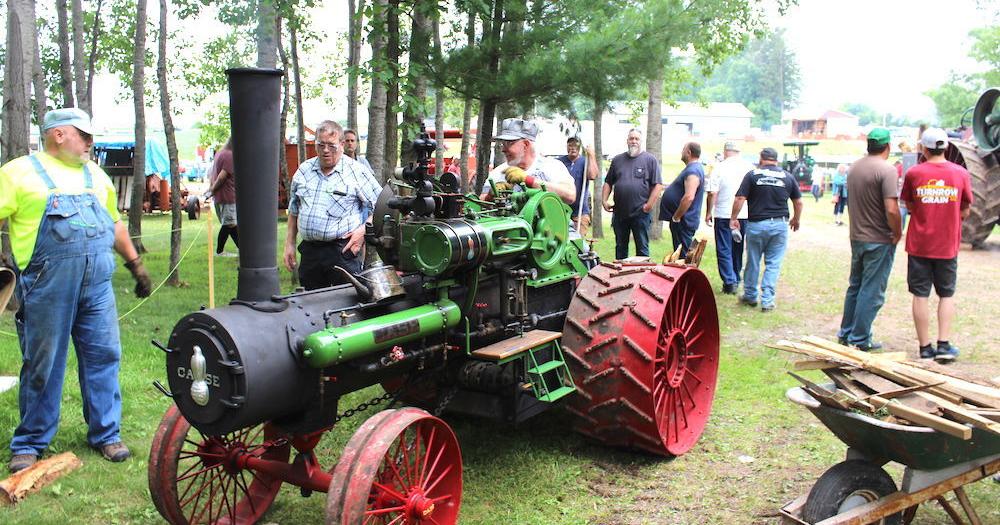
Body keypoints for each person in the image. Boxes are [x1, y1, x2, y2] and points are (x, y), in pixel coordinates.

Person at [0, 108, 152, 473]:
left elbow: (114, 225)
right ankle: (30, 442)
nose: (89, 142)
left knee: (104, 355)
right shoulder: (18, 173)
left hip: (97, 287)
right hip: (46, 286)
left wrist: (136, 265)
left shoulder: (96, 176)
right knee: (44, 363)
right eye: (82, 135)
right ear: (58, 135)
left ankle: (106, 433)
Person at [900, 128, 972, 363]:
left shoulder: (914, 174)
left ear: (924, 148)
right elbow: (966, 209)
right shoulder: (960, 173)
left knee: (920, 294)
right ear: (947, 147)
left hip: (919, 244)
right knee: (946, 294)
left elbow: (909, 205)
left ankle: (924, 348)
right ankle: (943, 345)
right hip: (946, 244)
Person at [283, 120, 381, 291]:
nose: (326, 150)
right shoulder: (304, 171)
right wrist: (289, 243)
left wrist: (362, 231)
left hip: (343, 251)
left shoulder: (357, 171)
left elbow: (382, 205)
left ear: (342, 144)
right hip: (310, 252)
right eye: (321, 145)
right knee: (310, 304)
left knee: (347, 304)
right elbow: (294, 209)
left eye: (331, 146)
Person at [836, 128, 902, 351]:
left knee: (855, 286)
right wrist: (897, 232)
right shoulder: (887, 170)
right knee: (871, 290)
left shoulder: (855, 167)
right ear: (888, 146)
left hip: (857, 236)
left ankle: (846, 333)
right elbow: (892, 209)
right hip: (879, 238)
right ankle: (860, 338)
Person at [731, 147, 802, 312]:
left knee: (753, 261)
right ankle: (768, 301)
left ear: (761, 158)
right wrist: (796, 220)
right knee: (773, 264)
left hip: (757, 224)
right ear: (776, 160)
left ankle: (750, 295)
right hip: (779, 225)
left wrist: (733, 218)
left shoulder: (752, 175)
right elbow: (798, 202)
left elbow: (740, 198)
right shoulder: (787, 176)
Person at [480, 118, 576, 206]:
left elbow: (570, 196)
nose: (503, 149)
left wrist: (528, 180)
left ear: (526, 144)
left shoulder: (552, 166)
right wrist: (490, 196)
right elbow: (481, 203)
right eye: (503, 144)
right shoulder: (498, 173)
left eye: (509, 143)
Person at [601, 129, 663, 260]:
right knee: (620, 248)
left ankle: (642, 278)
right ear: (627, 141)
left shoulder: (650, 160)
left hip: (640, 213)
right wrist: (604, 200)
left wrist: (649, 205)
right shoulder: (618, 160)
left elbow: (657, 185)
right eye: (631, 138)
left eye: (636, 139)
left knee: (642, 250)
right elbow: (608, 182)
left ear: (641, 141)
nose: (634, 141)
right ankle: (620, 278)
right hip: (620, 213)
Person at [705, 142, 753, 294]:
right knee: (738, 247)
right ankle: (736, 277)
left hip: (724, 214)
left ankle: (729, 281)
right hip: (743, 213)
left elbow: (713, 192)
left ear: (725, 151)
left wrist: (708, 212)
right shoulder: (749, 167)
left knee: (724, 248)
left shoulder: (719, 167)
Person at [660, 142, 705, 255]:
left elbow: (689, 197)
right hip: (682, 221)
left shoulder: (693, 171)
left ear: (689, 152)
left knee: (682, 257)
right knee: (679, 254)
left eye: (683, 150)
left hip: (684, 221)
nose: (681, 152)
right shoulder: (692, 169)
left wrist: (676, 217)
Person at [557, 137, 599, 236]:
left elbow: (593, 175)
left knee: (578, 244)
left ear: (580, 147)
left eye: (576, 145)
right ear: (566, 146)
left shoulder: (585, 161)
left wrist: (591, 154)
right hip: (561, 211)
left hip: (579, 212)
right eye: (570, 145)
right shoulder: (559, 162)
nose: (573, 148)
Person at [208, 138, 238, 254]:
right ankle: (220, 251)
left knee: (230, 224)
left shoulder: (219, 154)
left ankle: (243, 249)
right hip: (228, 195)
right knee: (229, 224)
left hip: (220, 196)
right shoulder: (229, 156)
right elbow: (222, 176)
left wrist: (212, 189)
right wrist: (212, 189)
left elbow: (212, 174)